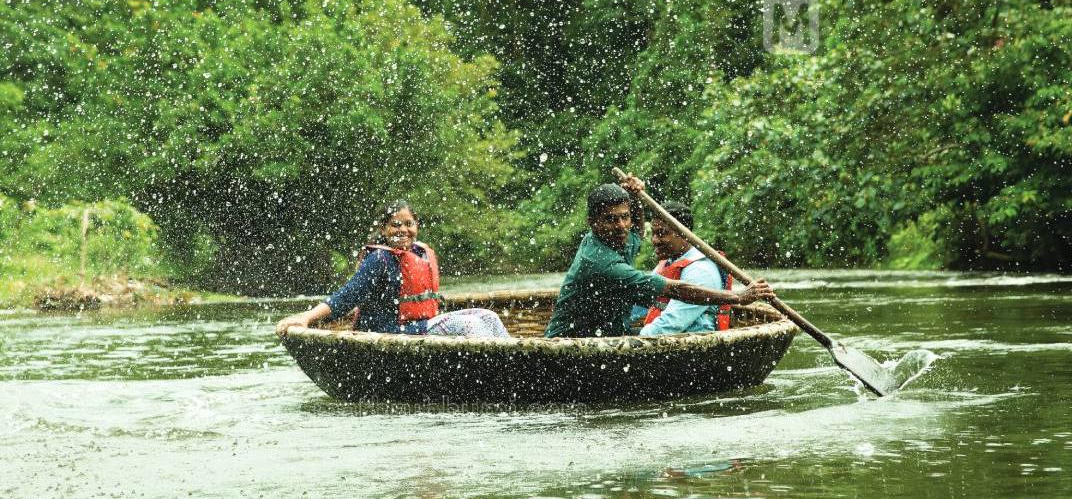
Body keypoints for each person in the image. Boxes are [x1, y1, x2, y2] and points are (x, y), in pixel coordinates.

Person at [544, 175, 774, 338]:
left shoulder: (616, 239)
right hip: (573, 343)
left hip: (604, 337)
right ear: (593, 223)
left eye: (625, 217)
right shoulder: (601, 262)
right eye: (611, 219)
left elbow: (636, 231)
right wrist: (739, 298)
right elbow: (675, 290)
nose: (621, 226)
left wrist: (635, 197)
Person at [276, 200, 510, 339]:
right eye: (395, 225)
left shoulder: (420, 253)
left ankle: (513, 362)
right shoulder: (379, 259)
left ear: (417, 226)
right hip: (388, 330)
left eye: (409, 224)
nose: (403, 230)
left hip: (419, 325)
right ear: (384, 229)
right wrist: (306, 317)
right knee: (470, 325)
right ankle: (495, 372)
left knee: (487, 316)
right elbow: (345, 297)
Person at [640, 201, 732, 336]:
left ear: (684, 234)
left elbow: (671, 324)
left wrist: (633, 340)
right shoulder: (670, 261)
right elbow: (641, 295)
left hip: (692, 346)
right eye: (653, 233)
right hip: (665, 339)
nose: (654, 240)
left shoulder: (701, 271)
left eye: (662, 233)